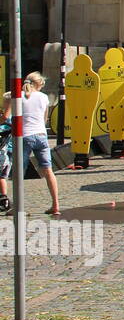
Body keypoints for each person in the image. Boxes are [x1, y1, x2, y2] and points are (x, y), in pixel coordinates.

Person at [3, 74, 60, 216]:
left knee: (18, 173)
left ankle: (18, 207)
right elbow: (44, 119)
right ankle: (56, 205)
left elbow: (5, 117)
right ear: (39, 84)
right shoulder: (44, 97)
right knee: (48, 171)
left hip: (24, 136)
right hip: (41, 136)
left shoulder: (17, 96)